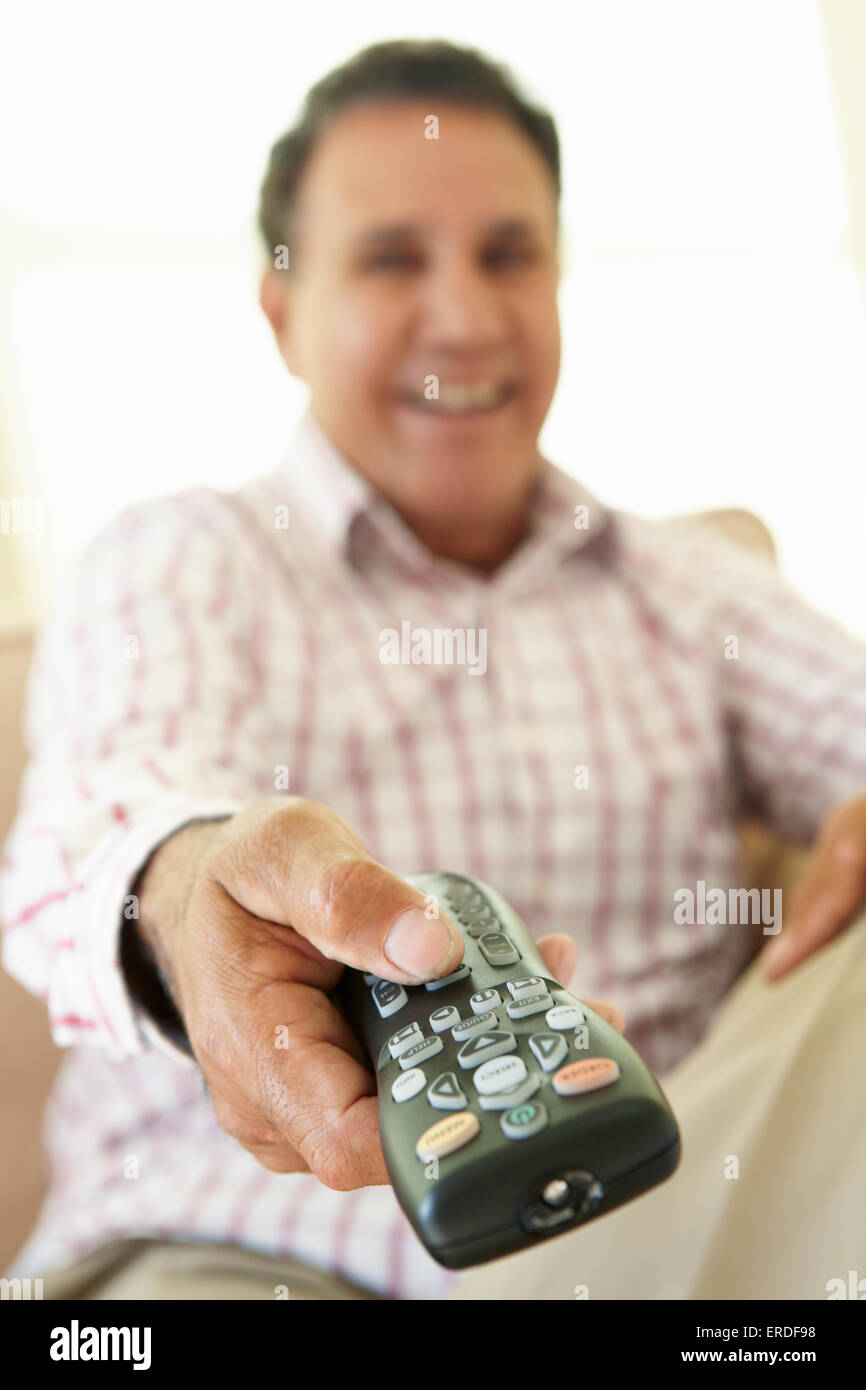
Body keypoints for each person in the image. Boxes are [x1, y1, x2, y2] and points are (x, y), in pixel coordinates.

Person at [2, 39, 865, 1303]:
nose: (462, 317)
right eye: (392, 258)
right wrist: (190, 895)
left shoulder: (688, 583)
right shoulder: (182, 555)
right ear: (282, 310)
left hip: (657, 1219)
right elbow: (104, 812)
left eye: (508, 255)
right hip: (244, 1247)